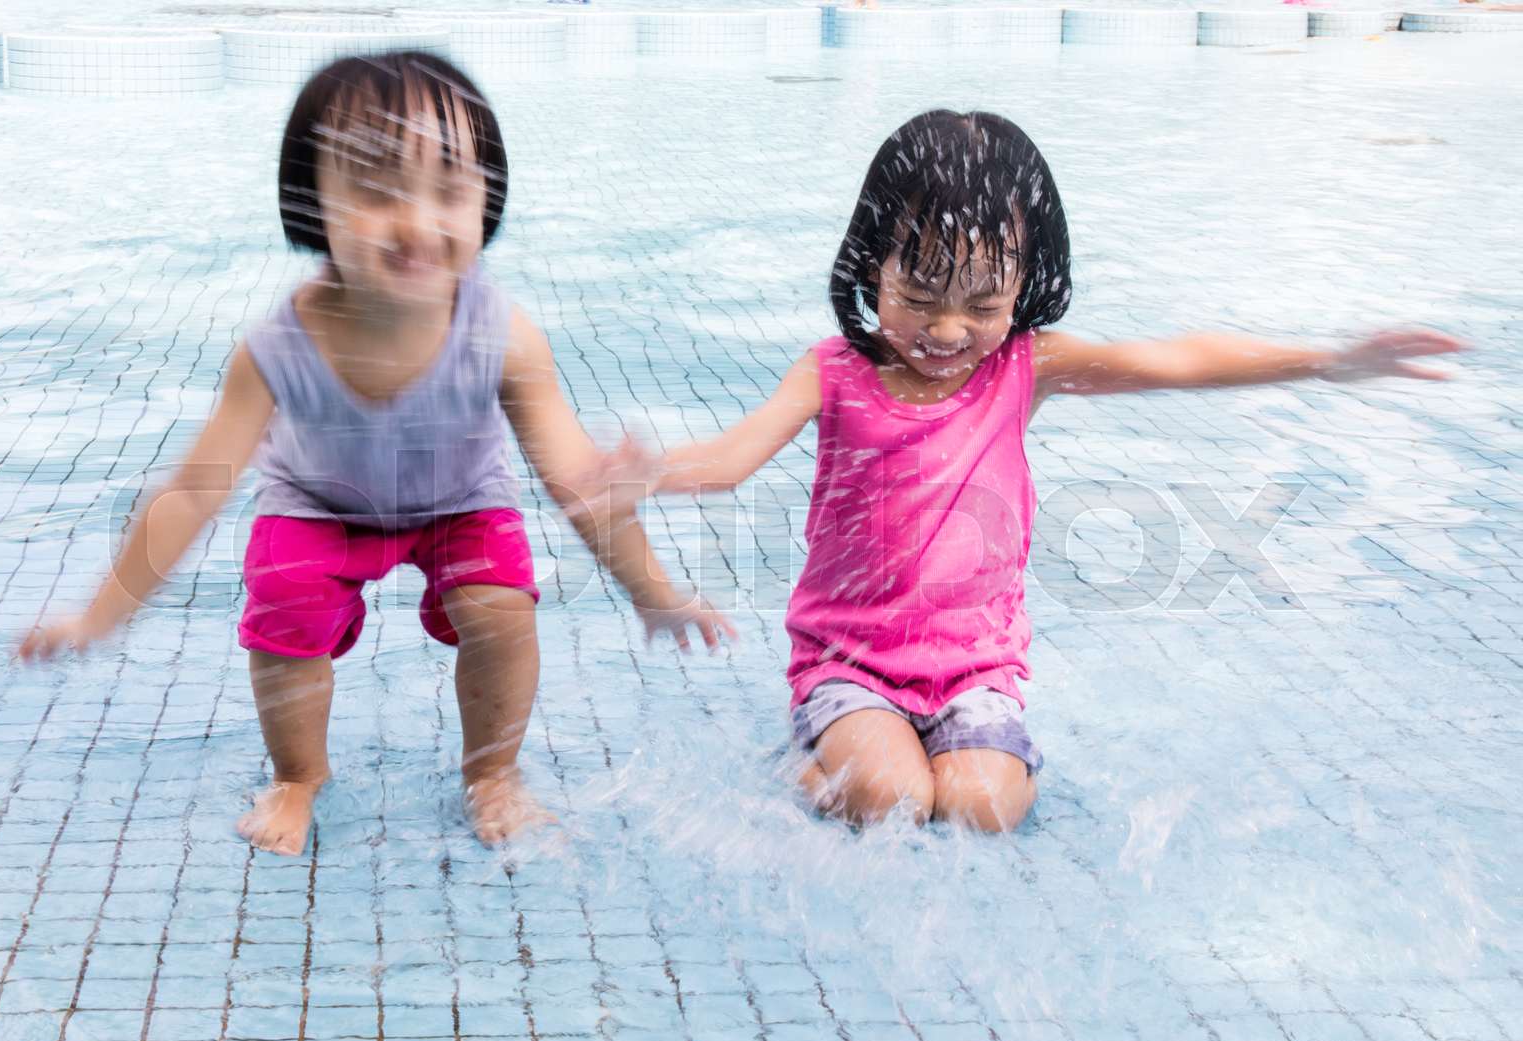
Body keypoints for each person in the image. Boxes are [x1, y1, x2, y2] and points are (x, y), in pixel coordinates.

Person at [604, 110, 1462, 834]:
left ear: (1024, 285)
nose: (947, 331)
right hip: (849, 659)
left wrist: (1328, 362)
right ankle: (824, 764)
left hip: (973, 667)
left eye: (982, 303)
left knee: (982, 810)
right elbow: (734, 456)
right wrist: (657, 471)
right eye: (921, 294)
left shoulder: (1024, 367)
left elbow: (1176, 361)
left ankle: (954, 748)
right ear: (873, 264)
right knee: (893, 798)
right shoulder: (834, 372)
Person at [18, 51, 730, 855]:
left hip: (460, 502)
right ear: (311, 203)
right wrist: (101, 613)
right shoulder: (278, 350)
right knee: (283, 602)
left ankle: (492, 773)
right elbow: (194, 490)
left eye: (448, 190)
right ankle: (297, 778)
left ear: (486, 200)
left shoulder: (502, 336)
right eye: (377, 191)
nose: (418, 223)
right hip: (320, 507)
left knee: (501, 607)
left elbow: (577, 483)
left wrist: (653, 593)